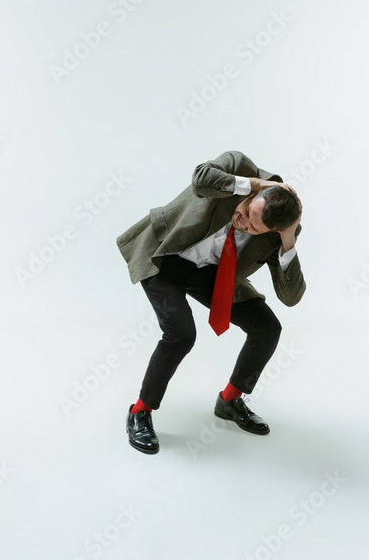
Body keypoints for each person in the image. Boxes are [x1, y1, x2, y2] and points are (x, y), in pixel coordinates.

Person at [115, 150, 305, 454]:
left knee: (267, 327)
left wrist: (288, 239)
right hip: (166, 256)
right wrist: (252, 185)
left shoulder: (279, 233)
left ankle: (230, 400)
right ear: (255, 194)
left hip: (212, 274)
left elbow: (291, 297)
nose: (242, 223)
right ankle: (139, 411)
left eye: (253, 228)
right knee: (181, 334)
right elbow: (200, 178)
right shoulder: (239, 168)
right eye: (244, 213)